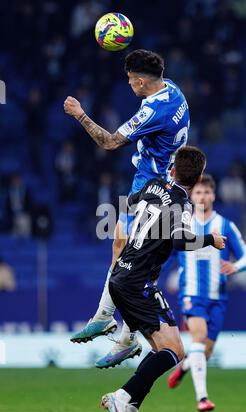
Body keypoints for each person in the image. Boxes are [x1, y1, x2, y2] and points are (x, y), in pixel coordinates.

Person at [64, 49, 190, 367]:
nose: (129, 85)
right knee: (120, 248)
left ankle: (124, 334)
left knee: (136, 267)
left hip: (156, 193)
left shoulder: (152, 110)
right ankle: (108, 320)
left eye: (131, 80)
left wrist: (80, 114)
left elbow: (108, 142)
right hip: (146, 186)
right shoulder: (172, 89)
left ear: (139, 81)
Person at [100, 147, 226, 412]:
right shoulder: (182, 205)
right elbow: (181, 240)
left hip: (120, 276)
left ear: (172, 170)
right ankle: (122, 397)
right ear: (196, 182)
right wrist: (211, 239)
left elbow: (130, 203)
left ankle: (130, 408)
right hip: (138, 283)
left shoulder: (152, 185)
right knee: (172, 351)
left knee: (167, 349)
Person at [167, 174, 246, 412]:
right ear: (191, 196)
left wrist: (235, 266)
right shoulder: (182, 226)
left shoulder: (225, 225)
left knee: (205, 350)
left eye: (206, 192)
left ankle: (184, 367)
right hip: (191, 294)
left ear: (213, 195)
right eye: (198, 192)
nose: (202, 196)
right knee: (198, 337)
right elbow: (166, 255)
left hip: (218, 296)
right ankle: (202, 398)